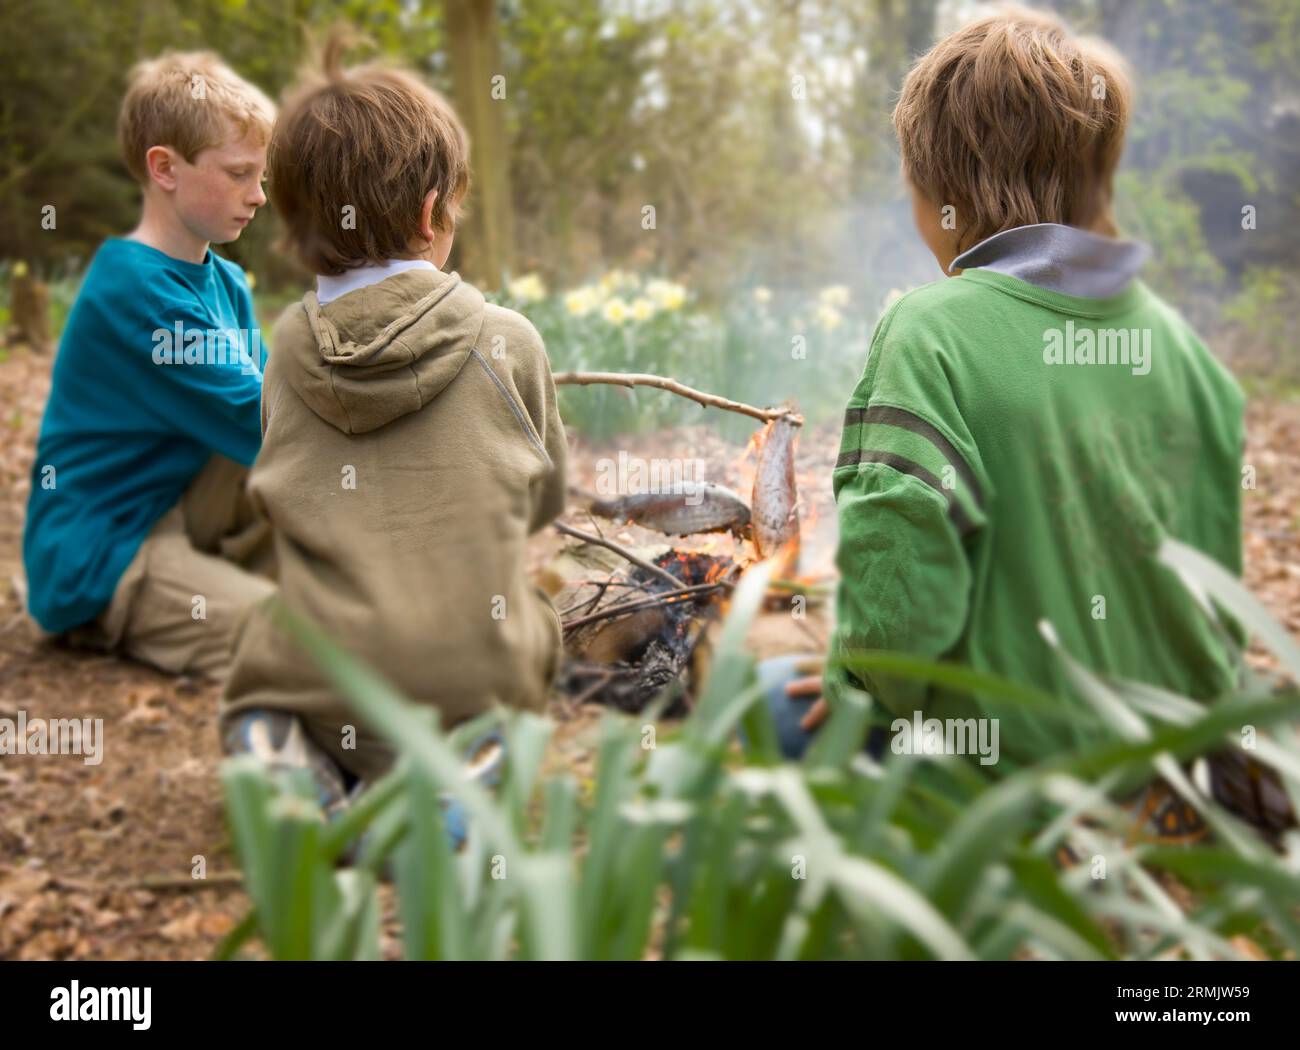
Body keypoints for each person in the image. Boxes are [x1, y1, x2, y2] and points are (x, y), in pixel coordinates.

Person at [770, 7, 1246, 798]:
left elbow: (897, 626)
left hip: (1009, 786)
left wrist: (853, 681)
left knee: (770, 707)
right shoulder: (1183, 349)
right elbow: (1214, 611)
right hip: (1173, 767)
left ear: (937, 193)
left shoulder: (930, 334)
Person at [219, 38, 567, 815]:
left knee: (268, 638)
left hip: (319, 680)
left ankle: (279, 749)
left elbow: (273, 500)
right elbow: (542, 507)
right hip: (463, 681)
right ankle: (472, 770)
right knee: (535, 613)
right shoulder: (508, 341)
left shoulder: (283, 351)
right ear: (430, 214)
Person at [23, 51, 277, 679]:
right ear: (164, 167)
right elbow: (268, 419)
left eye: (261, 175)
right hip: (108, 550)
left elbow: (279, 404)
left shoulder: (228, 283)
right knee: (297, 640)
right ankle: (103, 615)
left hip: (183, 499)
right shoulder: (135, 292)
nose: (260, 196)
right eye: (240, 173)